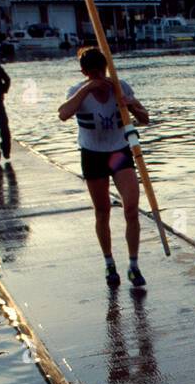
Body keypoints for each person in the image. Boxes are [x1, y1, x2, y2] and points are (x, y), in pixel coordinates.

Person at [57, 45, 151, 288]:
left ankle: (133, 265)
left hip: (118, 154)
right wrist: (87, 89)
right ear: (84, 72)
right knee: (103, 211)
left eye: (101, 71)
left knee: (131, 207)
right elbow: (63, 114)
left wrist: (131, 103)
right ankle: (109, 262)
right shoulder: (78, 91)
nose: (99, 77)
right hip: (93, 156)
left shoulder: (120, 87)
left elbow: (145, 118)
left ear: (106, 68)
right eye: (93, 73)